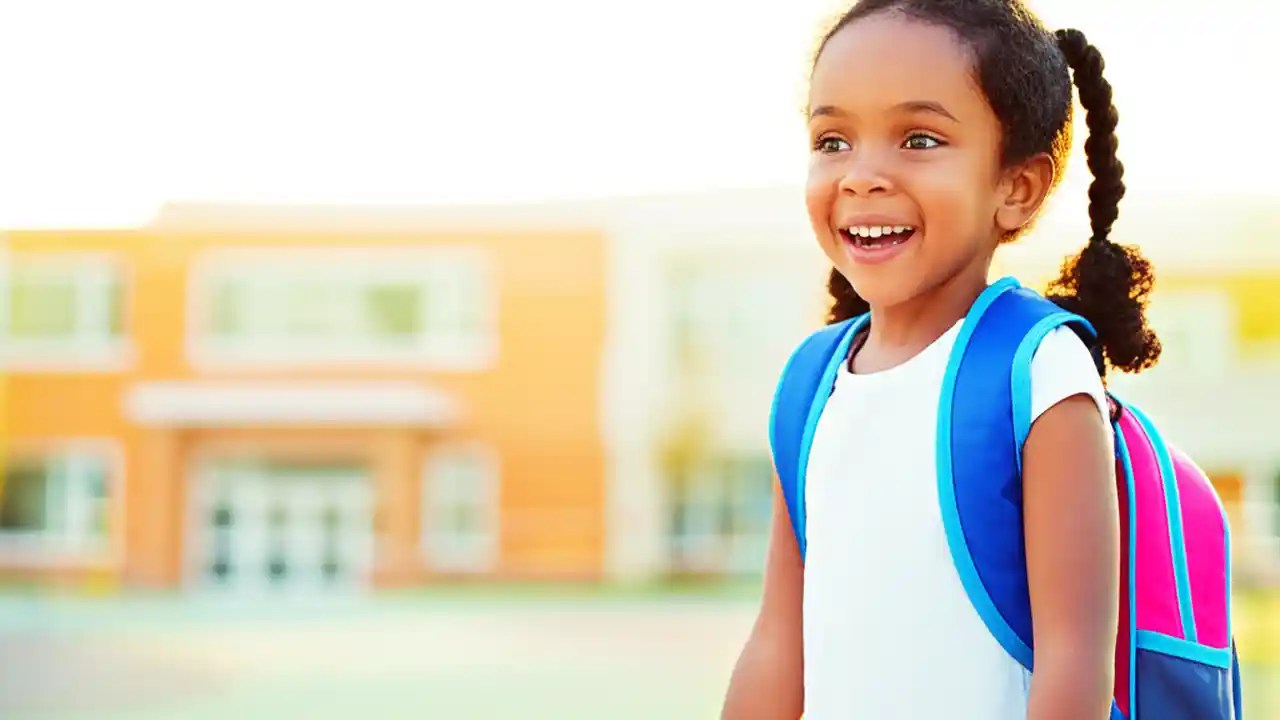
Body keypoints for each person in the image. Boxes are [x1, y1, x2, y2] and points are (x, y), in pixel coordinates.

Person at [721, 1, 1163, 718]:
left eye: (919, 138)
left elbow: (1074, 662)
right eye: (833, 140)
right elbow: (778, 644)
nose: (862, 175)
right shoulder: (810, 383)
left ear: (1016, 187)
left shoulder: (1036, 368)